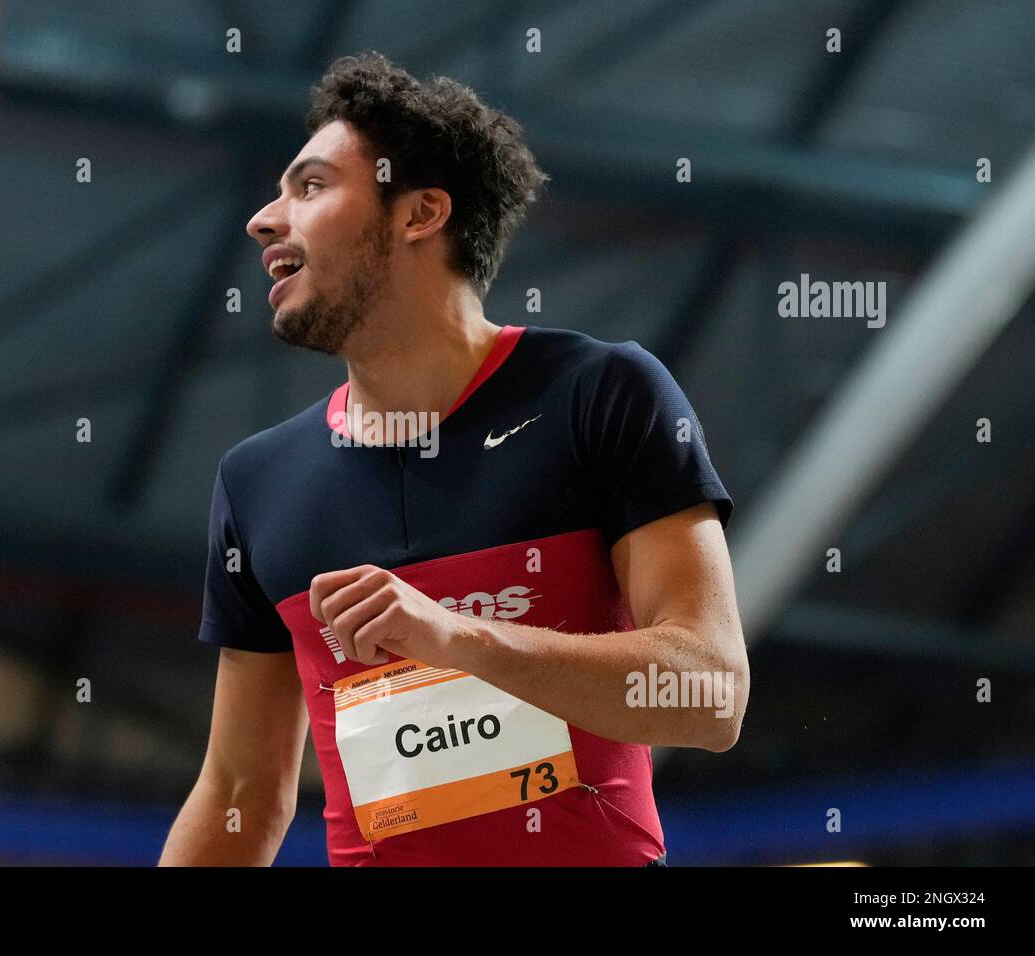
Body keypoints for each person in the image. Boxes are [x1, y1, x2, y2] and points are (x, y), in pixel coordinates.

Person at [159, 51, 748, 866]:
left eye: (311, 186)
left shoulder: (601, 394)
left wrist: (457, 638)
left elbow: (709, 692)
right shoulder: (257, 482)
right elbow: (237, 793)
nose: (266, 219)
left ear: (420, 212)